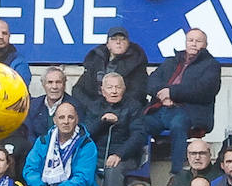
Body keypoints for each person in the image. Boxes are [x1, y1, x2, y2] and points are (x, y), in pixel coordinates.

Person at [142, 30, 222, 174]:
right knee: (139, 124)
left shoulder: (211, 65)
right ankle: (139, 172)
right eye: (190, 40)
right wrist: (164, 95)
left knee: (178, 125)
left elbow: (204, 90)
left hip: (188, 111)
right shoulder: (171, 61)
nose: (193, 44)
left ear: (206, 44)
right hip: (160, 108)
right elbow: (151, 82)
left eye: (198, 41)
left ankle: (177, 174)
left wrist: (172, 92)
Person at [73, 23, 148, 105]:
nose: (118, 42)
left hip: (125, 109)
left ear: (128, 44)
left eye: (123, 39)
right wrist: (92, 106)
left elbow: (138, 93)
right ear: (108, 45)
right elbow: (78, 89)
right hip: (95, 106)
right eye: (114, 39)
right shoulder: (96, 60)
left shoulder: (137, 61)